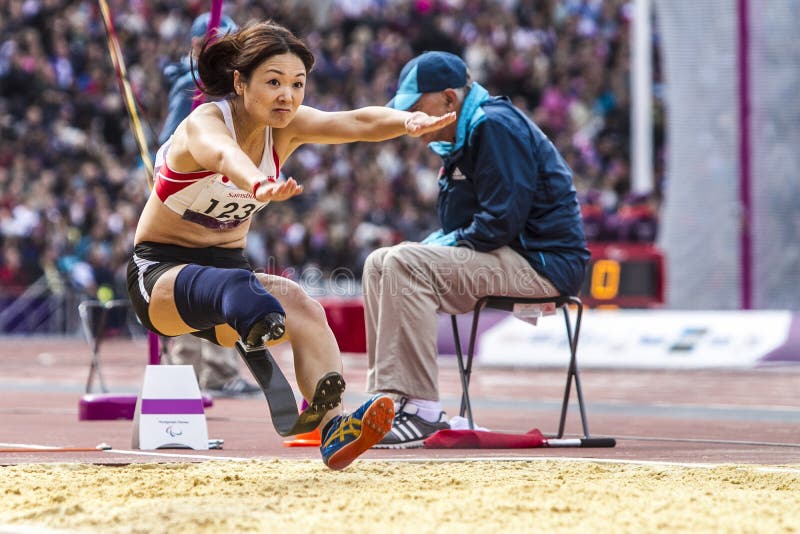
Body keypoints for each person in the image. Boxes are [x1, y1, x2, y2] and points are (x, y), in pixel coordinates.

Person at [125, 22, 455, 469]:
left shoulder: (286, 128)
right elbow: (223, 155)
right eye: (274, 82)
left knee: (305, 308)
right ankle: (256, 330)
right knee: (244, 295)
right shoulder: (205, 122)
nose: (288, 96)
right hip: (160, 275)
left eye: (298, 84)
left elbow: (355, 121)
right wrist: (257, 182)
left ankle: (334, 428)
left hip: (230, 273)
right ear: (240, 82)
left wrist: (407, 122)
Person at [364, 51, 590, 449]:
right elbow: (461, 225)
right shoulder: (460, 138)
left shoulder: (495, 126)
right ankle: (388, 400)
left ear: (449, 99)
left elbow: (500, 222)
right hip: (506, 254)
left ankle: (422, 411)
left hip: (543, 265)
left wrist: (435, 244)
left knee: (403, 262)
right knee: (379, 263)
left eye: (415, 107)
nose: (409, 119)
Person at [158, 12, 261, 399]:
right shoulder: (194, 85)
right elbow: (172, 138)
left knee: (218, 278)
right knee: (195, 279)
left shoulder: (230, 83)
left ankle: (210, 371)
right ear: (198, 45)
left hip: (221, 193)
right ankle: (189, 373)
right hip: (195, 194)